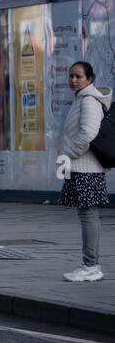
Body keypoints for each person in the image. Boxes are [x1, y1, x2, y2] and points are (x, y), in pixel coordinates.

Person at [60, 61, 109, 283]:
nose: (73, 80)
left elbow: (88, 134)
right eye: (71, 76)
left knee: (88, 216)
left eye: (78, 76)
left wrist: (68, 153)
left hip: (86, 169)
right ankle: (90, 264)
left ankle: (91, 266)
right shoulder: (81, 99)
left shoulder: (89, 101)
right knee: (87, 214)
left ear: (90, 79)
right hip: (82, 168)